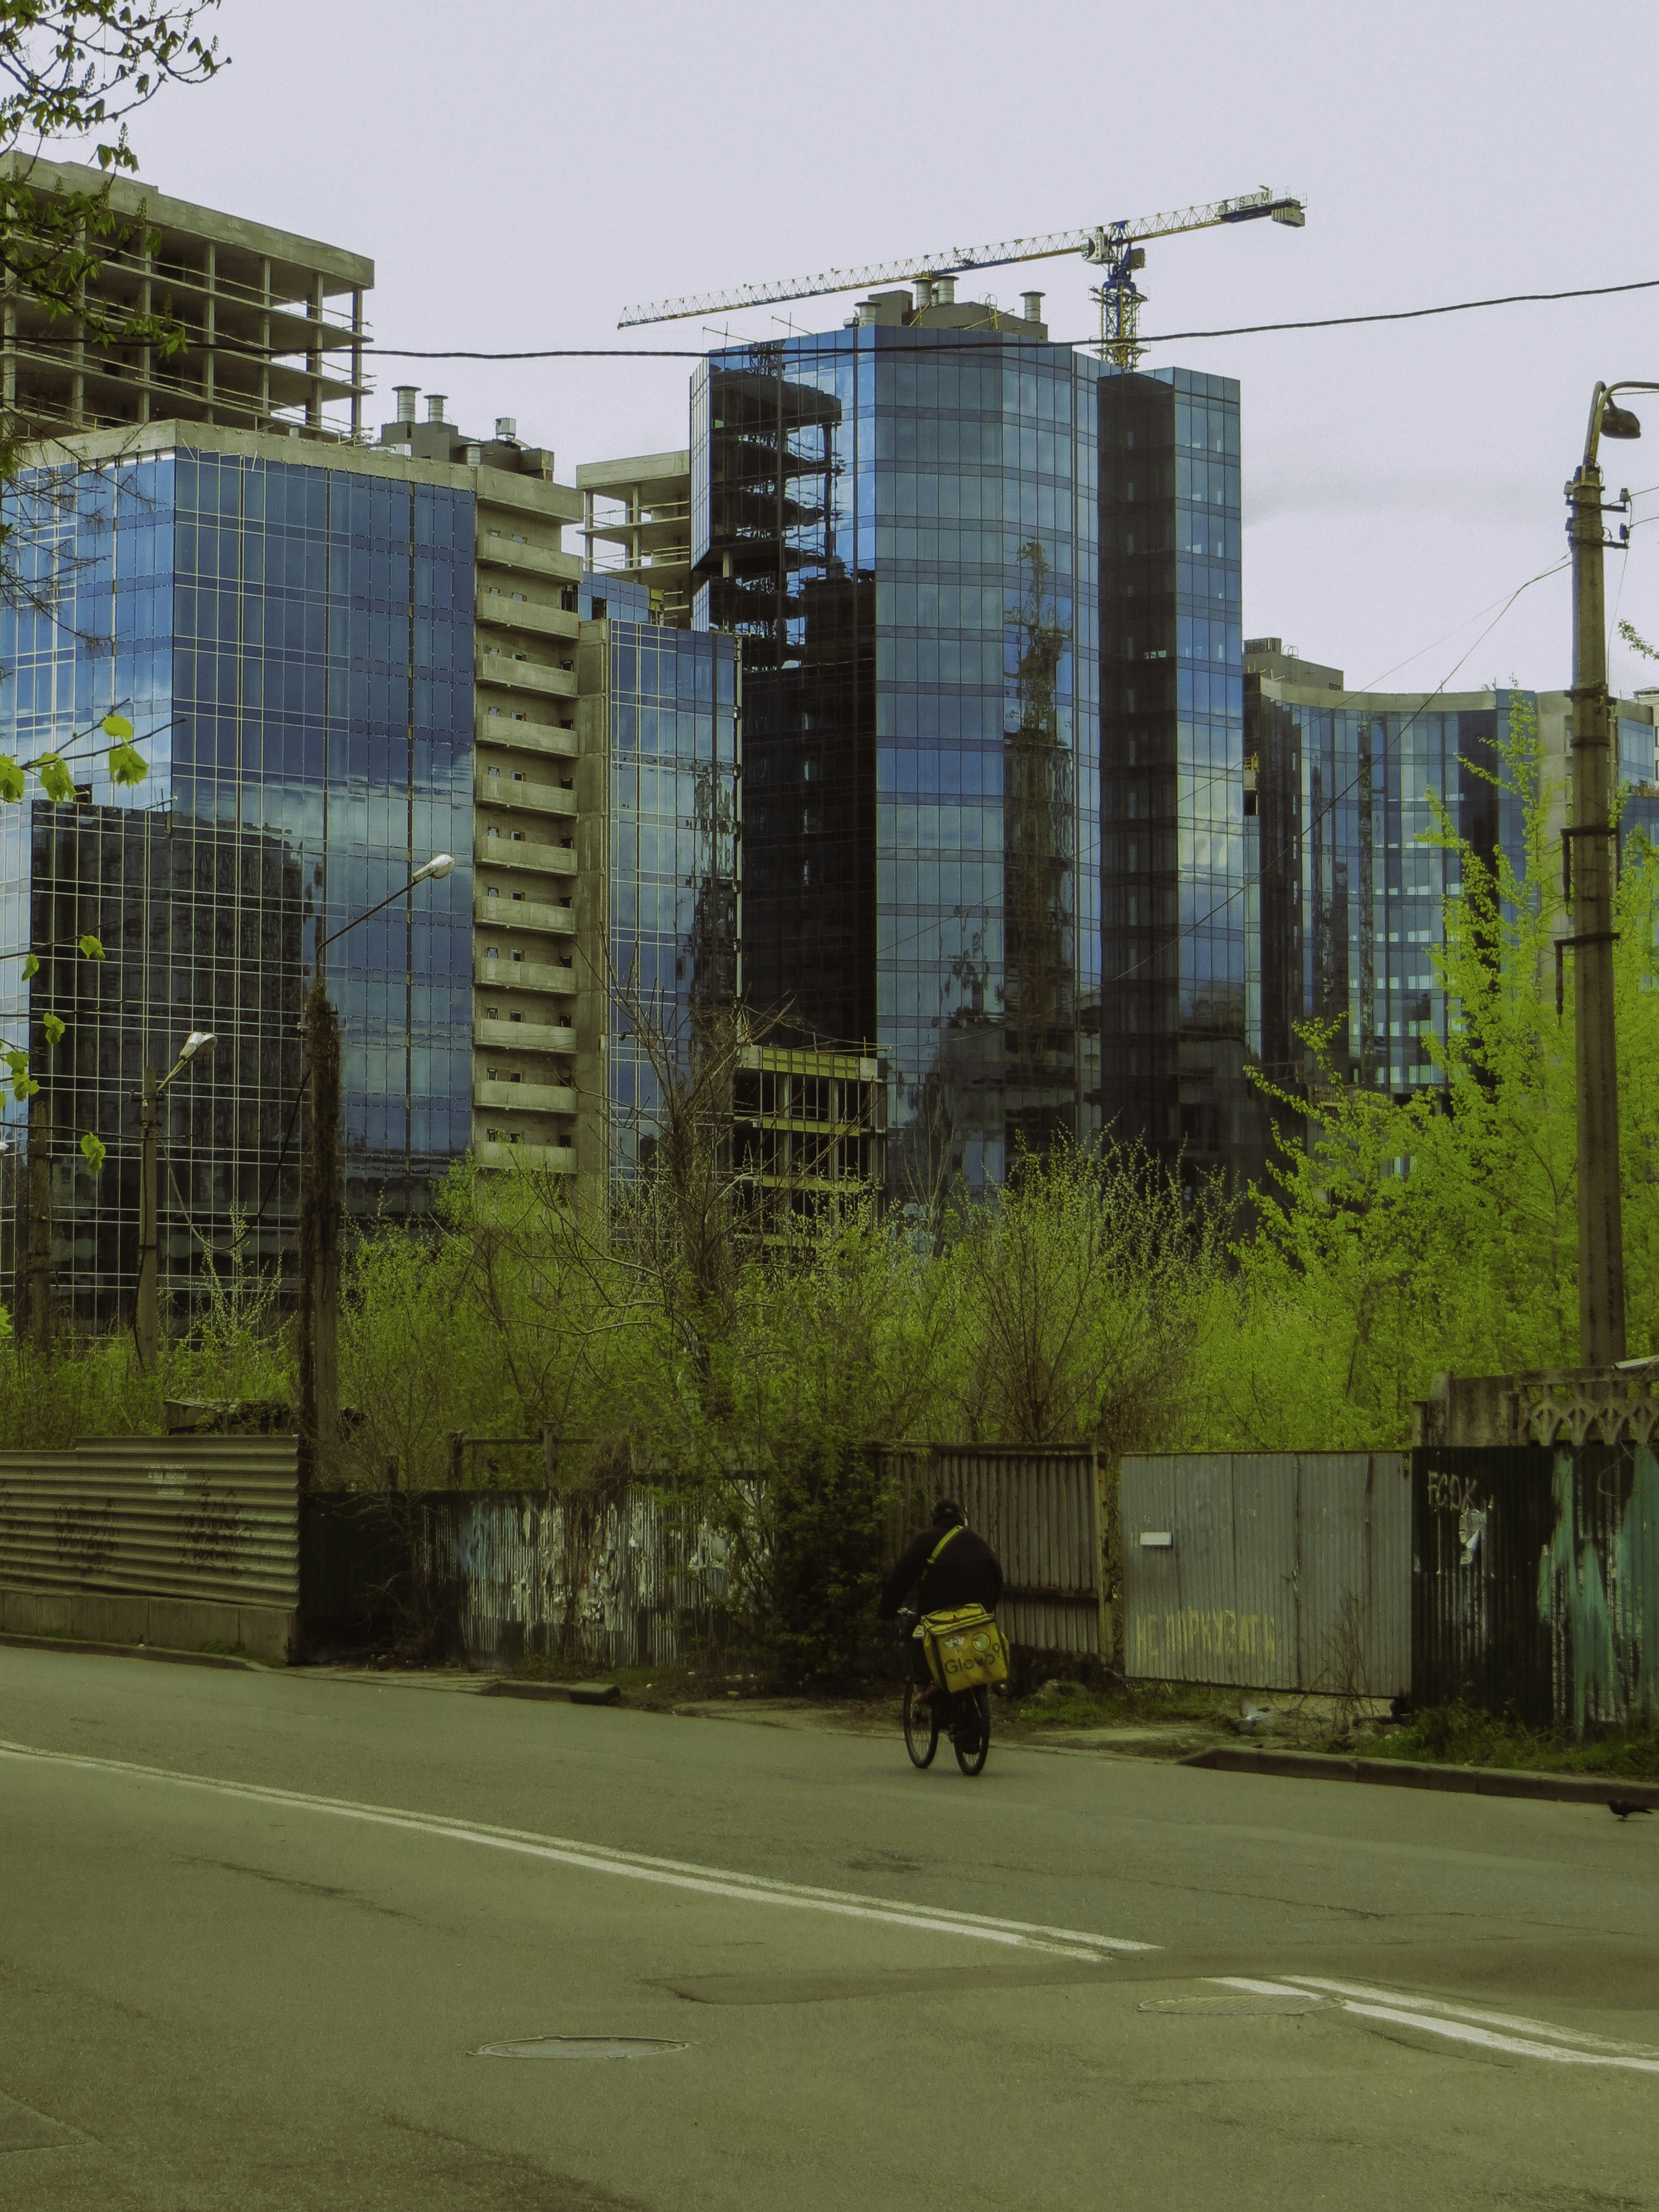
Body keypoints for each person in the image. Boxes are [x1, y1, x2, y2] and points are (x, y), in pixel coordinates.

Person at [877, 1498, 1003, 1702]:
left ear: (934, 1518)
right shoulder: (978, 1541)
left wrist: (887, 1610)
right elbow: (998, 1577)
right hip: (977, 1613)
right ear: (959, 1519)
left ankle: (927, 1683)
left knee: (912, 1632)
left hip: (938, 1614)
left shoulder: (927, 1539)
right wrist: (987, 1609)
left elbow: (900, 1577)